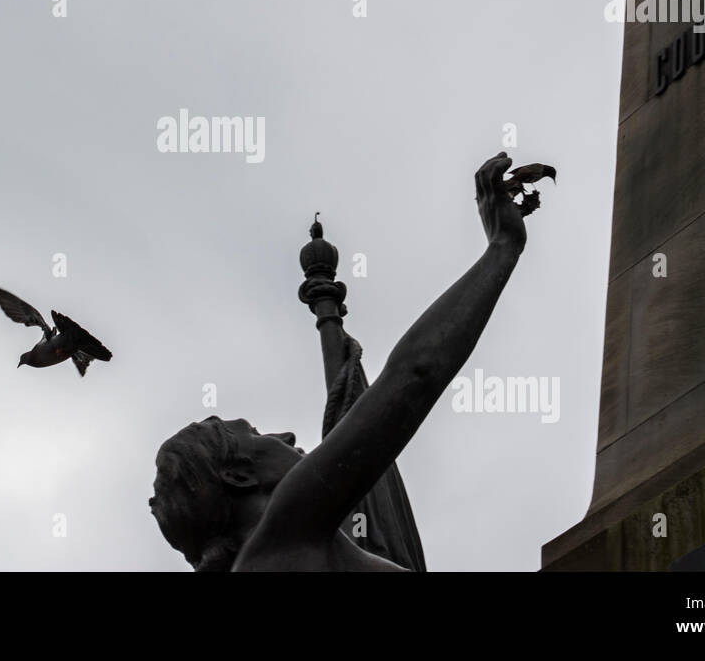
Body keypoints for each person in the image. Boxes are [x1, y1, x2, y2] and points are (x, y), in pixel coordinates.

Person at [150, 152, 531, 570]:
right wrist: (502, 246)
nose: (287, 436)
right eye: (257, 434)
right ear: (238, 476)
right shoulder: (283, 537)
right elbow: (415, 374)